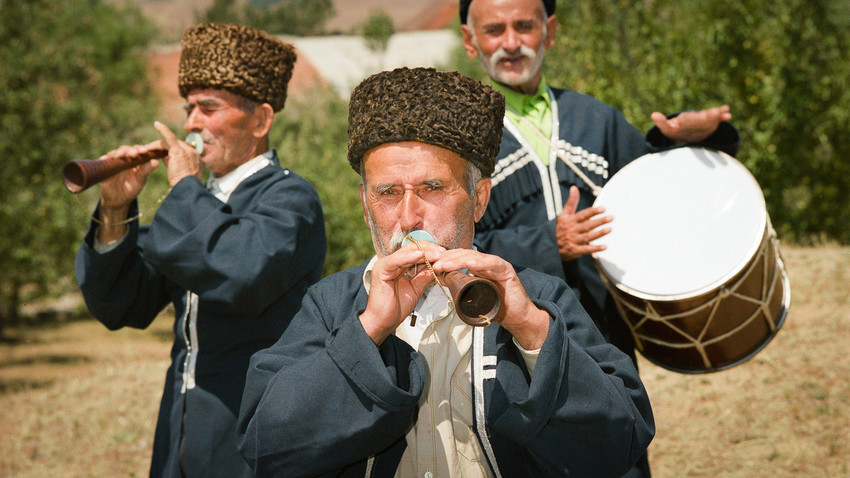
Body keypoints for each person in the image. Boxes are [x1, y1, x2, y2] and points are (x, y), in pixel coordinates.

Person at [237, 67, 654, 477]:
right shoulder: (332, 304)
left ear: (478, 199)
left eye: (432, 189)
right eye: (388, 193)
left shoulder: (539, 296)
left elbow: (619, 445)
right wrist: (368, 331)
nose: (408, 216)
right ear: (365, 205)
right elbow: (265, 447)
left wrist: (530, 329)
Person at [459, 2, 741, 475]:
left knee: (614, 453)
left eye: (525, 26)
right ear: (471, 42)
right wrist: (549, 243)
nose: (511, 42)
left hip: (601, 339)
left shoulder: (597, 120)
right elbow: (450, 244)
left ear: (549, 32)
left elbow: (652, 188)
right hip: (499, 353)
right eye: (494, 30)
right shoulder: (460, 138)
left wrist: (690, 141)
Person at [74, 23, 327, 477]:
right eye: (189, 108)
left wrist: (185, 186)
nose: (191, 123)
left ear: (261, 120)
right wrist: (116, 207)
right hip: (181, 420)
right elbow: (121, 305)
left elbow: (239, 269)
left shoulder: (291, 198)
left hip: (256, 422)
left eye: (208, 108)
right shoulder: (194, 207)